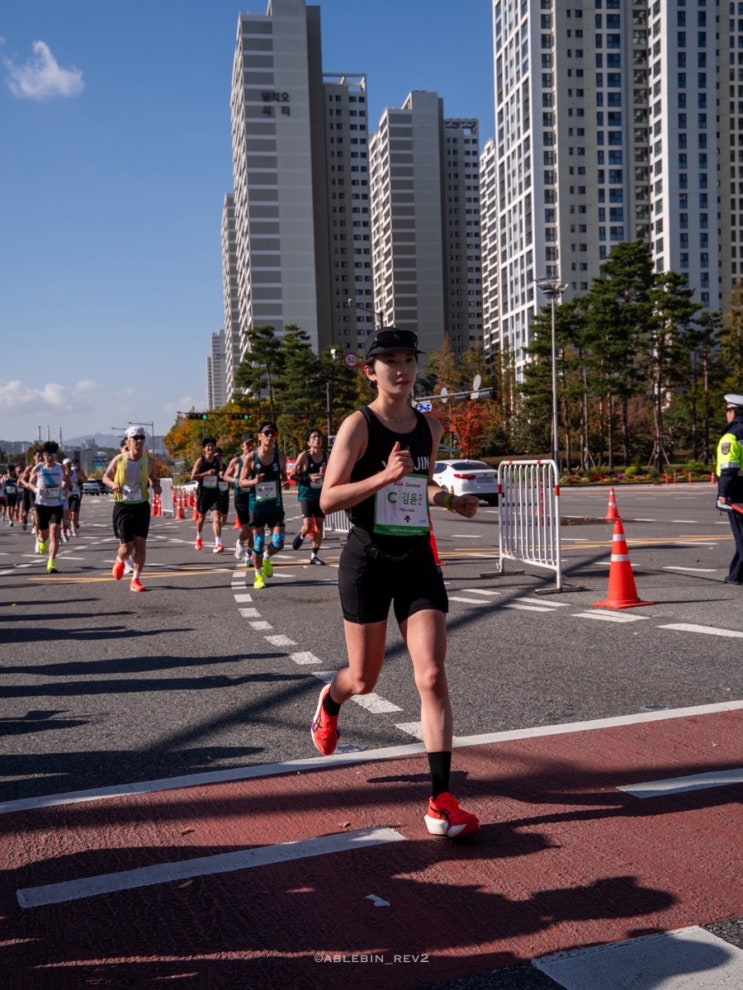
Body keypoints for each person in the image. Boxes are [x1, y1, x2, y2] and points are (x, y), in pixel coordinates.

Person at [311, 328, 481, 838]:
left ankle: (440, 801)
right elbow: (327, 499)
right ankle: (330, 701)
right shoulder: (357, 426)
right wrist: (382, 477)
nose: (401, 370)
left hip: (417, 560)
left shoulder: (428, 427)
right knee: (364, 680)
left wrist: (451, 500)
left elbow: (419, 483)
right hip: (367, 560)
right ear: (370, 370)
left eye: (408, 359)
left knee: (431, 674)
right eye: (388, 362)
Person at [102, 426, 161, 592]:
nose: (139, 441)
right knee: (127, 546)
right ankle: (120, 560)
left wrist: (156, 486)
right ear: (128, 441)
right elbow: (105, 477)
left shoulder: (149, 461)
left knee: (141, 544)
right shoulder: (119, 460)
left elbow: (153, 478)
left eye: (142, 437)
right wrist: (113, 484)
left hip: (141, 505)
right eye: (136, 438)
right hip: (123, 506)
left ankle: (136, 579)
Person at [236, 421, 288, 590]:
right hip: (257, 507)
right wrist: (254, 481)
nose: (270, 436)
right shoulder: (251, 458)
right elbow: (241, 482)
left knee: (279, 542)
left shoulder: (281, 457)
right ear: (259, 437)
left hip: (275, 506)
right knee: (258, 542)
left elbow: (283, 477)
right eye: (266, 433)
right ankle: (258, 576)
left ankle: (266, 557)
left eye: (273, 433)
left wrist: (285, 482)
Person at [27, 441, 71, 574]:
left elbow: (66, 480)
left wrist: (63, 486)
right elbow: (30, 483)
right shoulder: (38, 468)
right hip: (41, 505)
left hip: (56, 505)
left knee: (54, 532)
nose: (50, 457)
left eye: (52, 454)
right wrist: (36, 490)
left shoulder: (61, 468)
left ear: (56, 455)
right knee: (44, 534)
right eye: (47, 454)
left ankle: (51, 562)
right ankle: (41, 540)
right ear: (43, 455)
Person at [716, 393, 743, 585]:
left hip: (738, 490)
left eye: (728, 410)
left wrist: (723, 494)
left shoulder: (731, 436)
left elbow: (729, 468)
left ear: (734, 412)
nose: (726, 414)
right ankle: (737, 574)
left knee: (741, 535)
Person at [291, 427, 328, 564]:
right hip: (306, 494)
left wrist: (325, 473)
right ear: (308, 442)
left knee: (319, 525)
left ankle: (314, 555)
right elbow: (293, 475)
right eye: (314, 437)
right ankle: (301, 535)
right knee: (308, 525)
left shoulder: (326, 456)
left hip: (320, 495)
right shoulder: (304, 456)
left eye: (319, 437)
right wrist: (308, 478)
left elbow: (332, 474)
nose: (317, 439)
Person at [222, 434, 257, 564]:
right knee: (247, 530)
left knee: (255, 529)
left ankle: (249, 554)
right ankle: (240, 541)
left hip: (254, 496)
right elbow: (226, 476)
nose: (250, 446)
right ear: (242, 446)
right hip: (241, 497)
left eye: (252, 444)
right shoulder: (237, 461)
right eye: (248, 444)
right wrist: (236, 481)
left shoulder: (257, 459)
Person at [191, 437, 226, 553]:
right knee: (201, 518)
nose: (211, 448)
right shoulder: (201, 461)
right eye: (208, 447)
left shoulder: (218, 461)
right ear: (204, 449)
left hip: (215, 492)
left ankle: (218, 543)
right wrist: (206, 473)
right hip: (203, 493)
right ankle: (199, 537)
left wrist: (221, 473)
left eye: (212, 446)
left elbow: (220, 471)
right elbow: (193, 476)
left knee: (217, 517)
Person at [66, 457, 88, 535]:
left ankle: (73, 528)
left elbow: (85, 479)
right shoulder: (63, 473)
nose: (71, 466)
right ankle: (67, 528)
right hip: (66, 495)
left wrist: (81, 480)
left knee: (75, 512)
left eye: (70, 465)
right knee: (68, 513)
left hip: (76, 494)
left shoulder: (78, 472)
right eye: (68, 465)